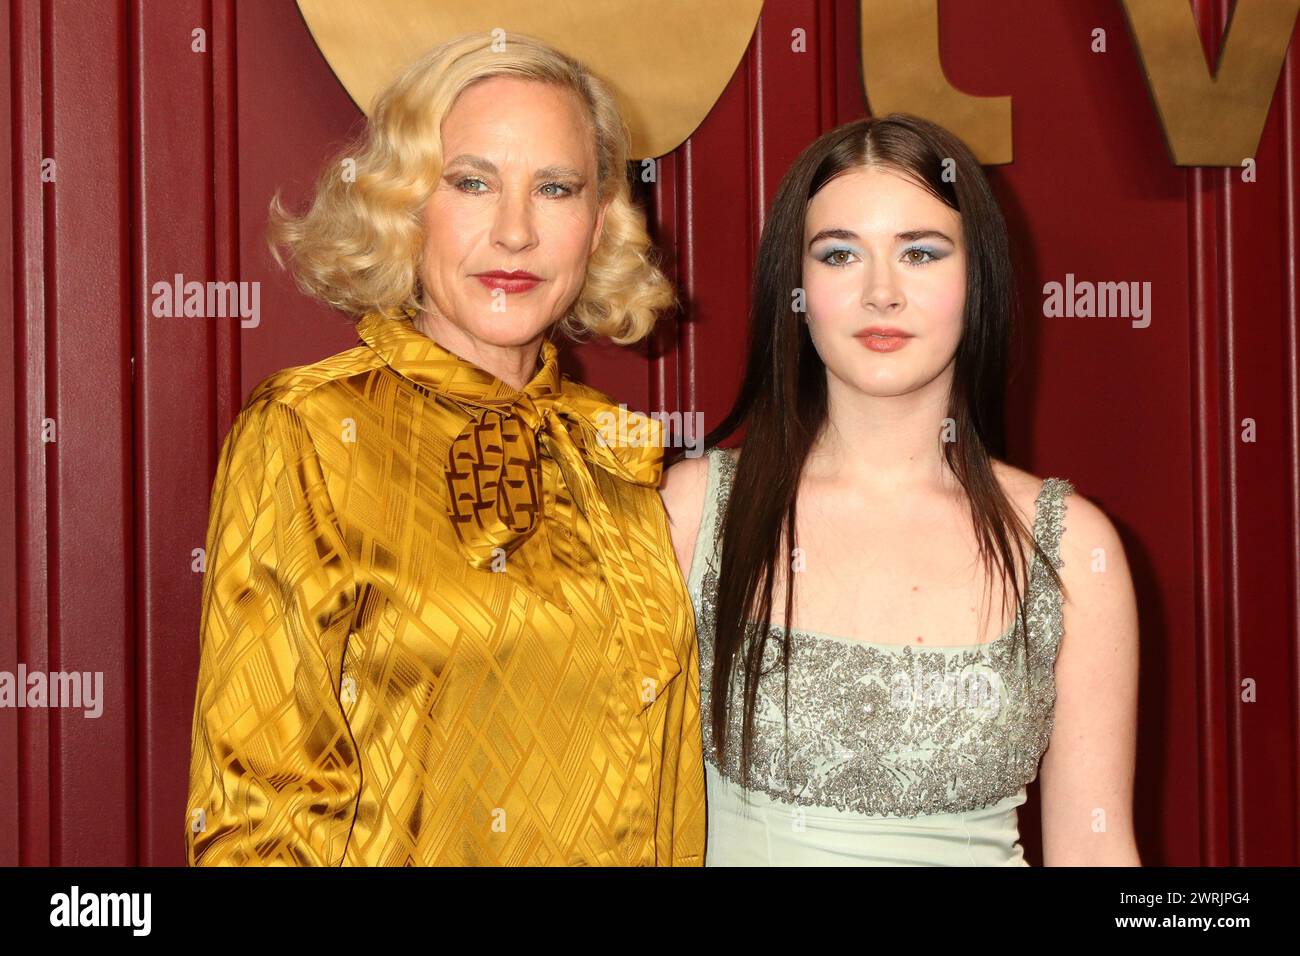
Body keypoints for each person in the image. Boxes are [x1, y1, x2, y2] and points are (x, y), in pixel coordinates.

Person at [185, 32, 704, 866]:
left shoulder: (618, 456)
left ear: (598, 222)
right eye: (472, 182)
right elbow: (256, 817)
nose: (515, 233)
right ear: (405, 203)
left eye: (556, 188)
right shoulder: (309, 432)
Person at [659, 114, 1140, 866]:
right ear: (797, 285)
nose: (881, 293)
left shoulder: (1072, 548)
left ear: (975, 276)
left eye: (920, 253)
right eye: (840, 254)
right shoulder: (691, 515)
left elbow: (1096, 847)